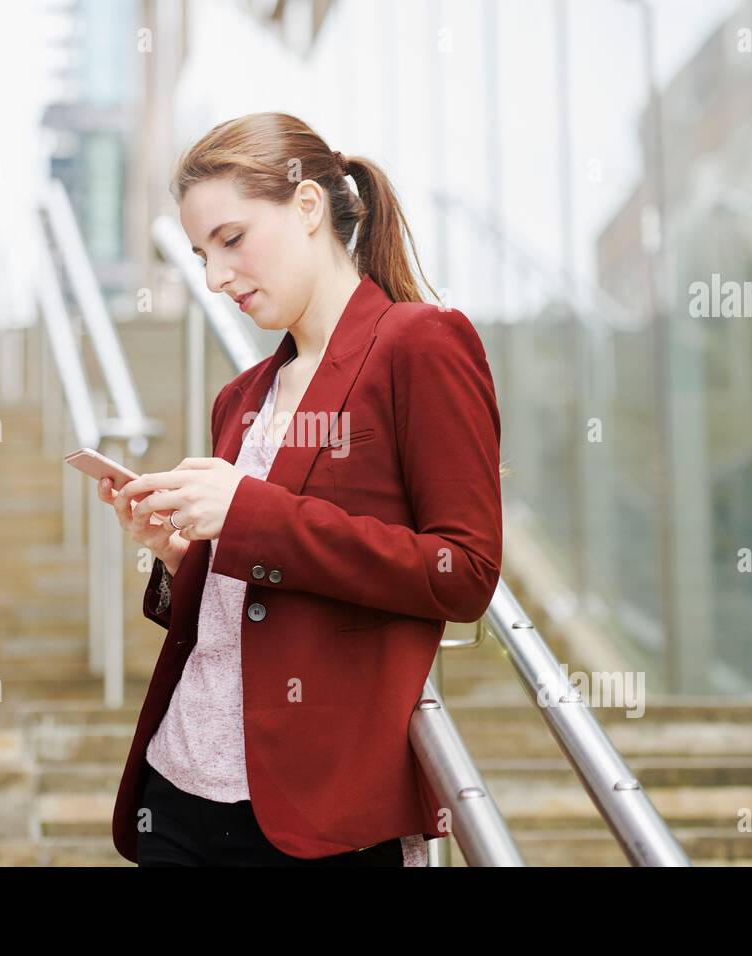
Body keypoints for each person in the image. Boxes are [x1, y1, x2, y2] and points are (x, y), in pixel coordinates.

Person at [102, 111, 505, 866]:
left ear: (310, 208)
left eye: (231, 240)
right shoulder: (242, 396)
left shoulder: (419, 345)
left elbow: (465, 572)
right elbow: (246, 596)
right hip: (177, 787)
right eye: (200, 255)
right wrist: (178, 554)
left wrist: (248, 513)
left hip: (312, 818)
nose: (216, 278)